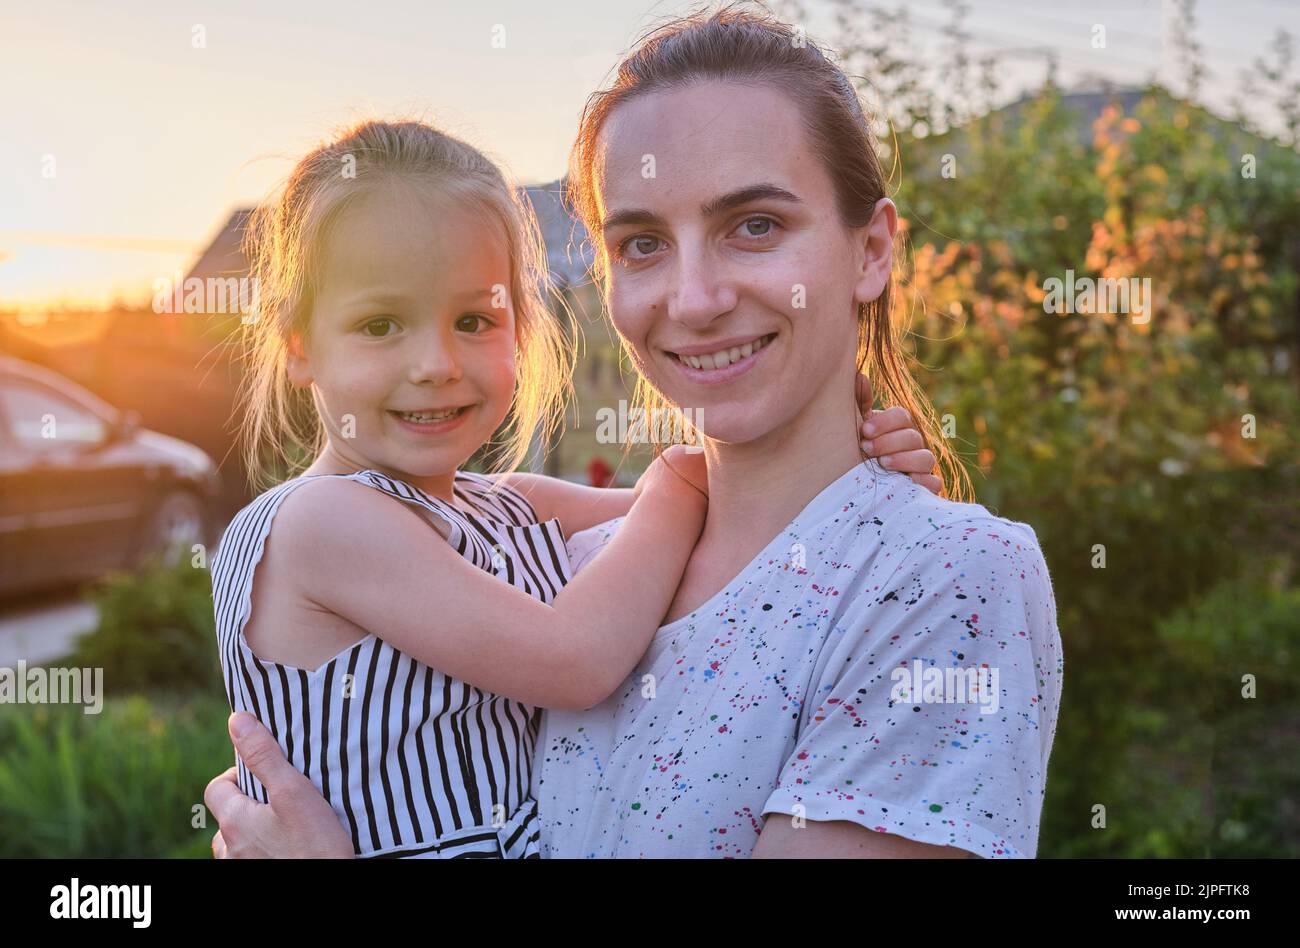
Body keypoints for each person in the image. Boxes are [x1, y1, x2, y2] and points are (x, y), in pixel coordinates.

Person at [205, 115, 937, 858]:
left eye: (472, 320)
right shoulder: (318, 523)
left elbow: (740, 516)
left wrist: (865, 481)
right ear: (298, 345)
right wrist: (679, 483)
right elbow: (574, 659)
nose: (436, 362)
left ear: (521, 332)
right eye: (381, 324)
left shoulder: (504, 505)